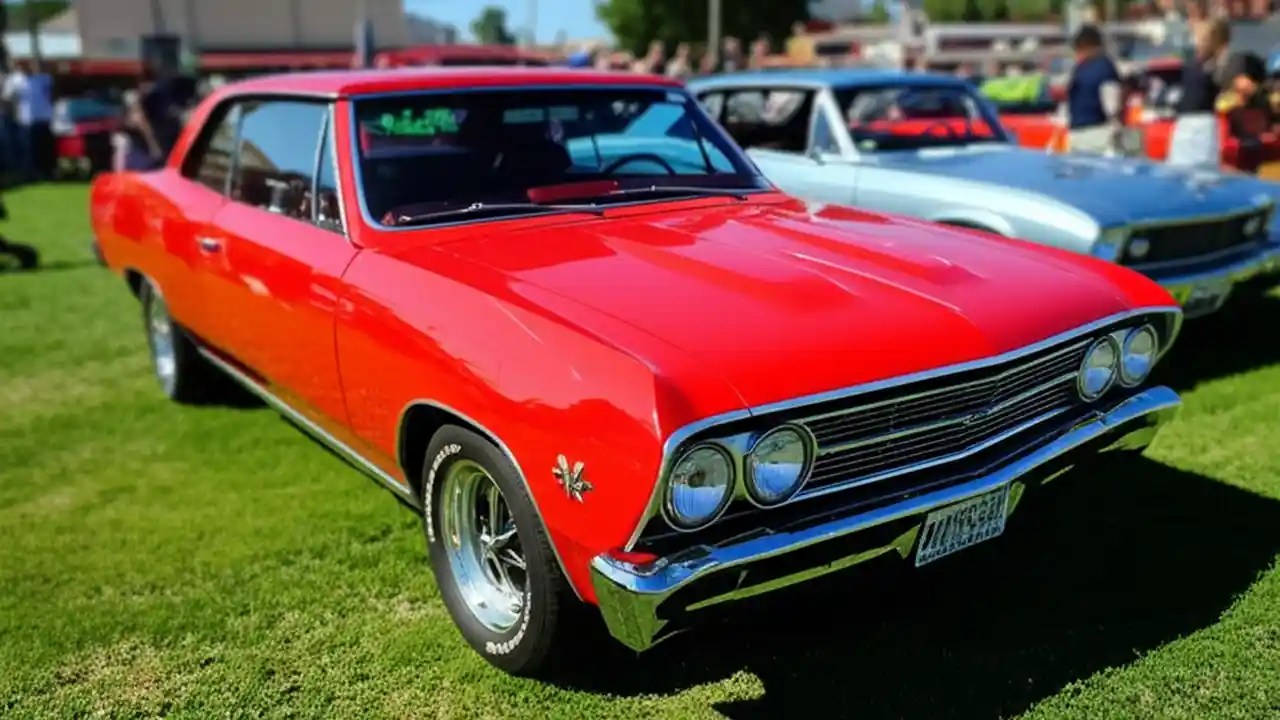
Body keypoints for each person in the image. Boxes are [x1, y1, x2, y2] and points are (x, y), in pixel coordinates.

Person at [1168, 18, 1229, 168]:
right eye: (1198, 38)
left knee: (1203, 172)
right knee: (1178, 168)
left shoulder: (1216, 64)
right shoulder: (1192, 63)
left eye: (1205, 38)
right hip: (1184, 121)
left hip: (1202, 123)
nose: (1199, 42)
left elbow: (1221, 78)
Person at [1063, 25, 1124, 155]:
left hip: (1076, 133)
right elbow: (1112, 106)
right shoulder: (1106, 67)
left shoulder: (1078, 69)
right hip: (1099, 132)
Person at [2, 62, 55, 180]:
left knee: (46, 147)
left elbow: (51, 93)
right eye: (21, 67)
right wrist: (9, 115)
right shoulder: (15, 81)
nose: (24, 69)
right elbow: (6, 98)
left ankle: (48, 171)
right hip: (27, 120)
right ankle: (33, 172)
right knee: (30, 148)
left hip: (44, 118)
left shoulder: (43, 78)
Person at [111, 90, 162, 172]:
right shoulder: (122, 136)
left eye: (140, 112)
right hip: (133, 171)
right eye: (135, 112)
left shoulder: (149, 132)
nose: (139, 116)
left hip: (148, 169)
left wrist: (146, 131)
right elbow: (119, 166)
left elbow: (157, 156)